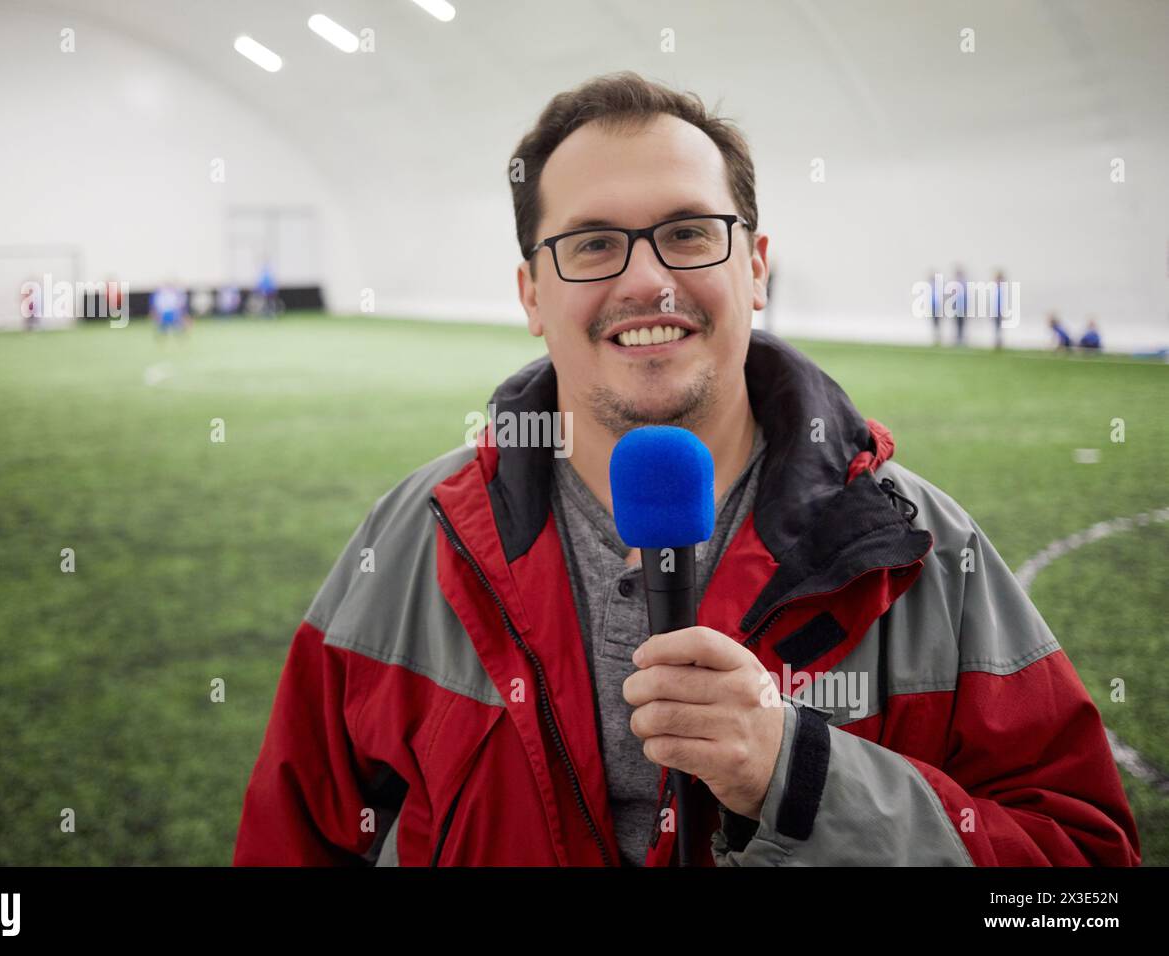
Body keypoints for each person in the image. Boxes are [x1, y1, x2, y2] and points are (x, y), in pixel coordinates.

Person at [234, 72, 1139, 867]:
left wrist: (804, 778)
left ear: (755, 267)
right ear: (530, 296)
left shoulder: (920, 550)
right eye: (592, 244)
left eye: (688, 233)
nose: (646, 281)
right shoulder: (410, 542)